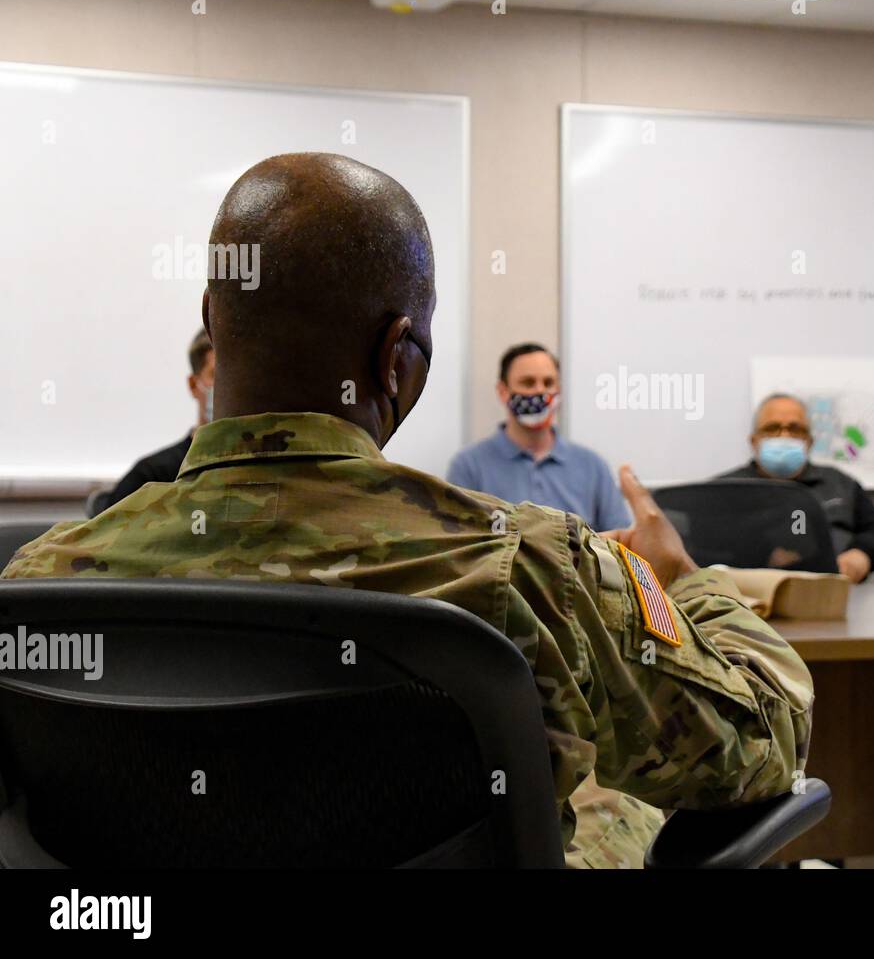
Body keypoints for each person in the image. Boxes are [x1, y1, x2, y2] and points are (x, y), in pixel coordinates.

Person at [2, 153, 813, 870]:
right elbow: (756, 750)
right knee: (624, 804)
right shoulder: (523, 566)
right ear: (396, 358)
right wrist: (681, 583)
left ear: (213, 323)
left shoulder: (42, 584)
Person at [447, 343, 630, 532]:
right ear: (503, 391)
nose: (540, 391)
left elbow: (621, 543)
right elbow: (458, 546)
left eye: (549, 383)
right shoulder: (469, 466)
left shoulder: (593, 467)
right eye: (528, 383)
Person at [717, 393, 874, 582]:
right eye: (772, 428)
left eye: (795, 429)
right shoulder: (723, 490)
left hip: (832, 595)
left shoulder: (839, 483)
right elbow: (703, 545)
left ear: (809, 442)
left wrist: (861, 555)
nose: (784, 436)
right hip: (744, 599)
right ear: (754, 441)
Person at [96, 329, 215, 511]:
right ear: (193, 385)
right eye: (216, 375)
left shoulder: (263, 470)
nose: (229, 386)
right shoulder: (152, 477)